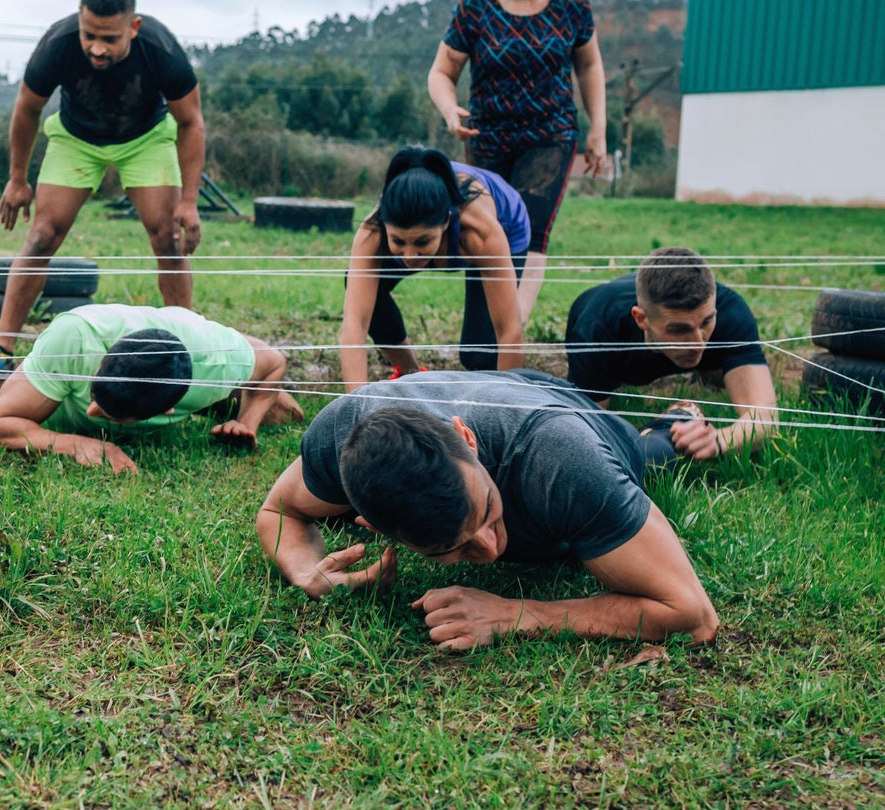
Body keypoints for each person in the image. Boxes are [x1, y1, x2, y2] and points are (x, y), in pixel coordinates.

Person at [256, 370, 719, 650]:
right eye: (453, 550)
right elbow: (279, 511)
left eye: (489, 511)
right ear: (370, 524)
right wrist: (304, 570)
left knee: (651, 450)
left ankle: (676, 421)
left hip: (569, 418)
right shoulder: (344, 434)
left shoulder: (563, 461)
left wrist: (516, 614)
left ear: (468, 440)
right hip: (499, 385)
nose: (491, 546)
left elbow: (693, 615)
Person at [0, 0, 205, 360]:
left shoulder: (160, 48)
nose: (96, 48)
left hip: (146, 139)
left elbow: (191, 122)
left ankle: (185, 349)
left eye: (109, 38)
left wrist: (188, 201)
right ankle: (2, 347)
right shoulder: (57, 43)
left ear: (133, 27)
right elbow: (27, 108)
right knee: (42, 237)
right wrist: (17, 179)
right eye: (88, 35)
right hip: (76, 138)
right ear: (79, 20)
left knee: (168, 240)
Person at [427, 0, 608, 324]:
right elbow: (442, 70)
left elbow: (589, 66)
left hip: (550, 134)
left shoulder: (572, 7)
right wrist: (450, 109)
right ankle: (483, 332)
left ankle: (513, 330)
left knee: (531, 227)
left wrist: (598, 128)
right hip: (486, 136)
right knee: (486, 228)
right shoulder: (475, 8)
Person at [0, 304, 303, 473]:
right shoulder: (74, 339)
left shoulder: (217, 361)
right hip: (68, 356)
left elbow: (275, 362)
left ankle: (226, 406)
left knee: (288, 413)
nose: (92, 412)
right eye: (95, 398)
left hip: (195, 347)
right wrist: (72, 443)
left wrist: (247, 422)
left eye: (108, 415)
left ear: (167, 413)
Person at [566, 246, 778, 463]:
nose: (698, 344)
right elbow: (587, 433)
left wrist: (719, 441)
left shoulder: (729, 310)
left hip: (706, 356)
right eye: (679, 330)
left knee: (720, 373)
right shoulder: (597, 328)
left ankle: (706, 372)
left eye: (706, 322)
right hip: (605, 330)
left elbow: (766, 419)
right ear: (641, 319)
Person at [340, 145, 529, 388]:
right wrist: (356, 404)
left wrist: (510, 407)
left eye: (422, 241)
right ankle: (408, 371)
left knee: (481, 356)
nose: (409, 255)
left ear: (446, 223)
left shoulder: (480, 233)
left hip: (507, 222)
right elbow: (354, 325)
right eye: (398, 241)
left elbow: (509, 329)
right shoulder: (372, 232)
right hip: (441, 233)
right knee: (360, 285)